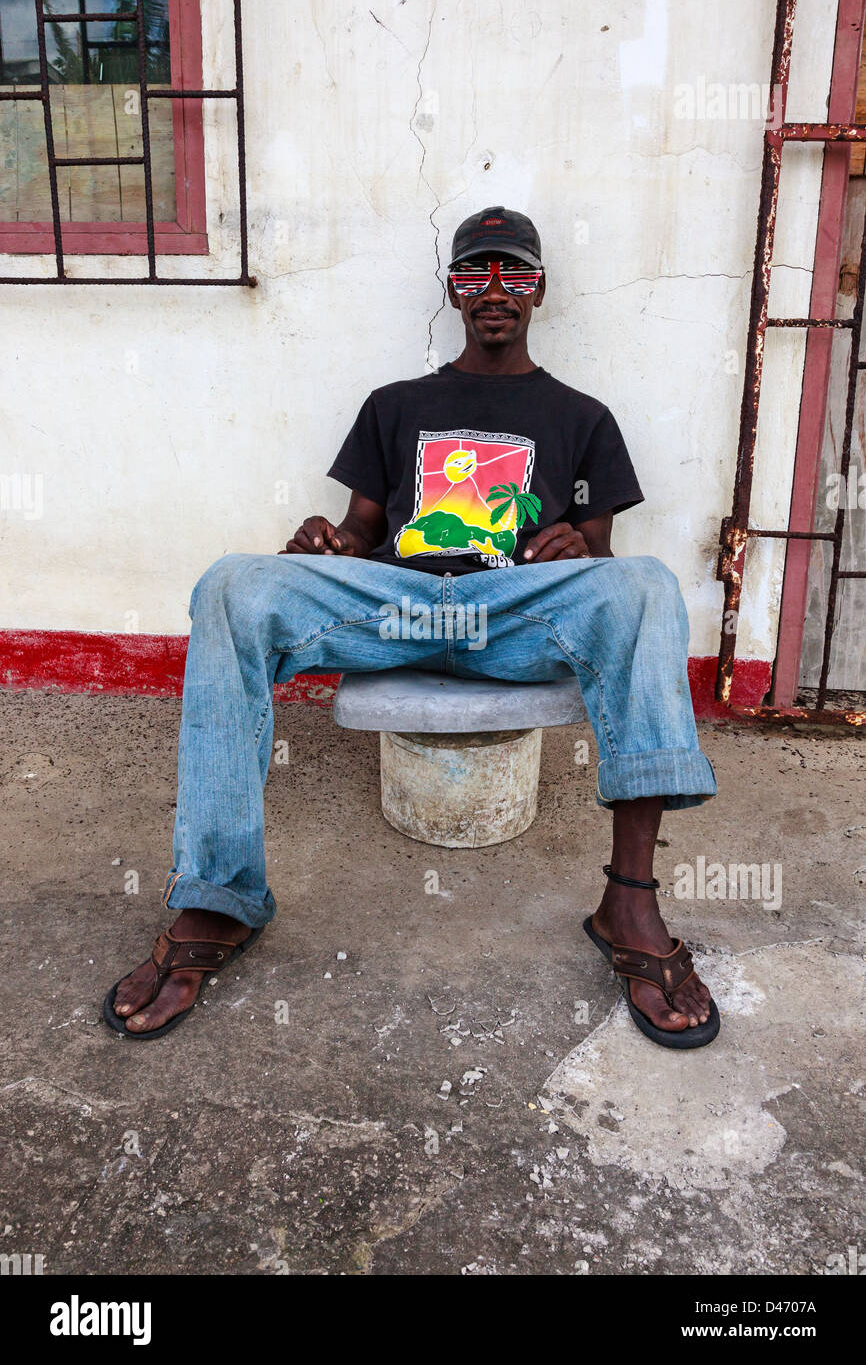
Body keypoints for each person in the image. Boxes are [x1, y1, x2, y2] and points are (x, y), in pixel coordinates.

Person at [104, 206, 719, 1049]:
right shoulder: (396, 405)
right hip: (393, 605)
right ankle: (216, 898)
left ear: (539, 289)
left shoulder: (584, 418)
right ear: (455, 291)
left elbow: (600, 563)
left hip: (514, 616)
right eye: (476, 273)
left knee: (644, 584)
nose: (494, 291)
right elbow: (359, 533)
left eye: (514, 274)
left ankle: (630, 903)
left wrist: (573, 543)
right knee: (232, 585)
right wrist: (327, 543)